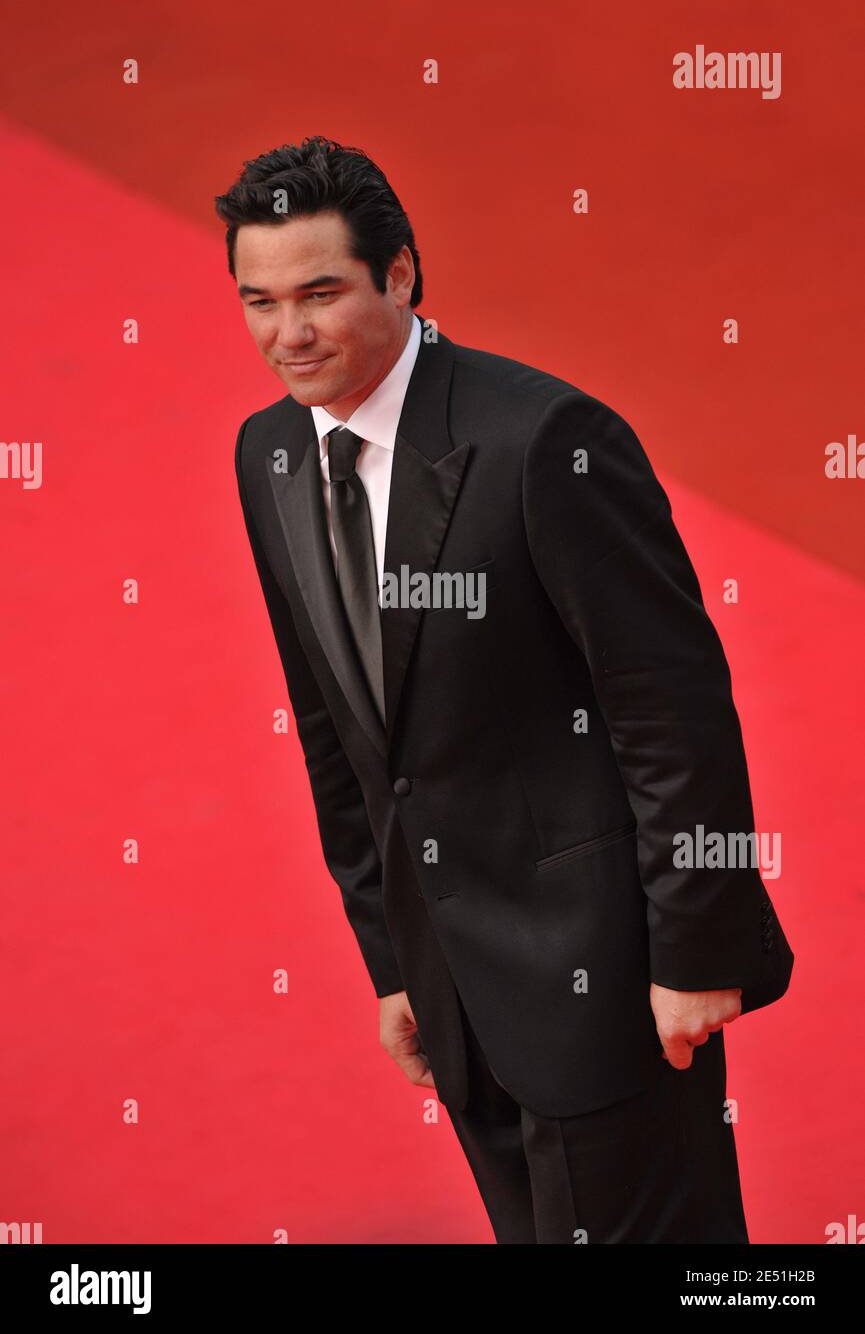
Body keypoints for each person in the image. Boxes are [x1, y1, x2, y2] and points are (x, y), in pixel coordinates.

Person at [217, 135, 794, 1244]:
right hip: (458, 993)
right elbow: (339, 736)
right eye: (259, 300)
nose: (287, 334)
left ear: (401, 273)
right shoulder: (270, 457)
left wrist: (697, 950)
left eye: (320, 292)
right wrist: (393, 956)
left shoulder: (545, 440)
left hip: (611, 982)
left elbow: (671, 708)